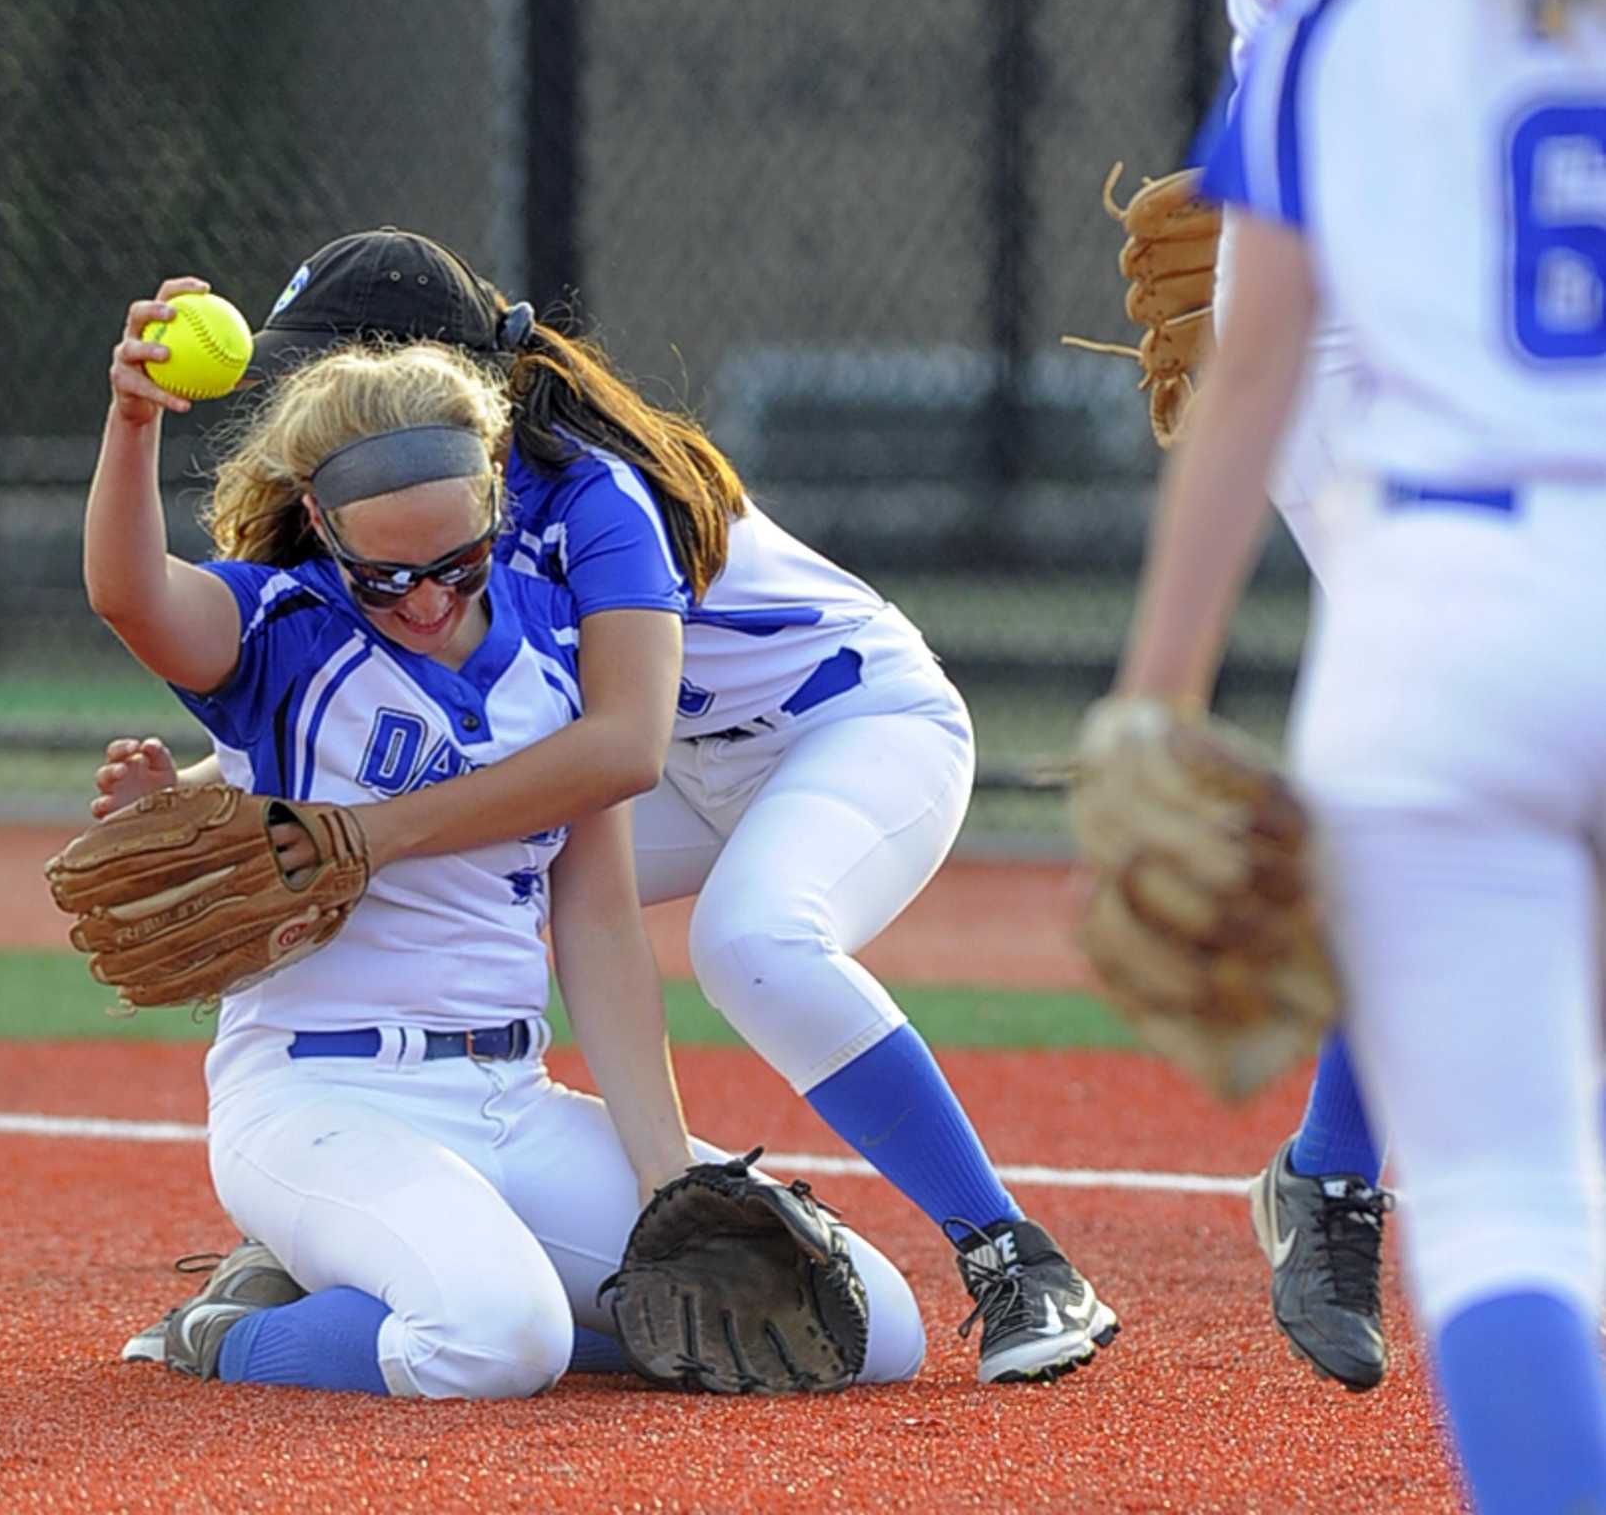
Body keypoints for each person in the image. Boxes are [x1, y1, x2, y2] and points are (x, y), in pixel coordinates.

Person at [103, 232, 1116, 1385]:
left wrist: (661, 1183)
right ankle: (363, 1221)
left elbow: (615, 748)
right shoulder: (380, 520)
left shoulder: (582, 491)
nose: (307, 395)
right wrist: (198, 796)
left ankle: (1010, 1252)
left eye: (329, 363)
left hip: (844, 726)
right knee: (495, 898)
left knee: (756, 940)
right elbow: (374, 732)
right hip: (675, 769)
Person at [1102, 0, 1606, 1514]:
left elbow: (1243, 375)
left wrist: (1156, 696)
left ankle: (1350, 1180)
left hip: (1445, 607)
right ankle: (1328, 1163)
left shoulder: (1354, 15)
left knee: (1495, 1197)